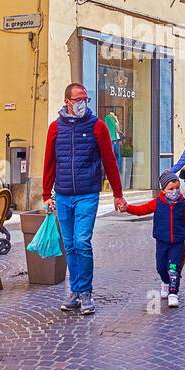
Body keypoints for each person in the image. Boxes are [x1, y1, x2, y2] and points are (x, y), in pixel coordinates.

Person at [43, 83, 126, 316]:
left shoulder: (98, 127)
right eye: (78, 99)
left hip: (88, 193)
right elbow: (49, 161)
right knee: (69, 245)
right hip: (62, 195)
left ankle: (85, 292)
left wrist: (118, 194)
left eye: (85, 99)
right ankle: (75, 292)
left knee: (81, 242)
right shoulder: (55, 128)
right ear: (67, 101)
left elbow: (110, 161)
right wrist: (45, 193)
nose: (82, 103)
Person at [124, 170, 185, 308]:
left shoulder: (182, 204)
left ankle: (173, 293)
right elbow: (141, 210)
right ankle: (166, 282)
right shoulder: (157, 203)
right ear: (163, 190)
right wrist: (127, 208)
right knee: (161, 267)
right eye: (171, 189)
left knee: (173, 268)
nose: (175, 191)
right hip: (162, 241)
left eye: (177, 188)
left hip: (177, 243)